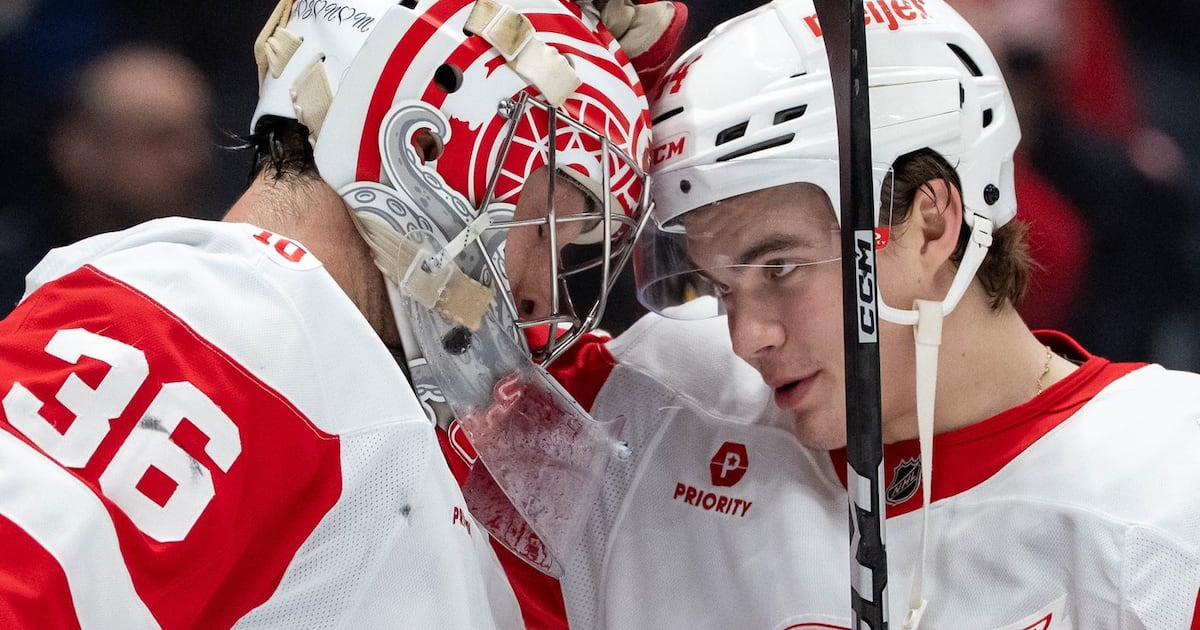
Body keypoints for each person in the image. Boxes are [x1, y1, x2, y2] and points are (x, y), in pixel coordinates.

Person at [0, 0, 656, 626]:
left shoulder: (324, 368)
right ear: (426, 146)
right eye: (544, 232)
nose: (543, 294)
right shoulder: (218, 327)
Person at [554, 0, 1200, 627]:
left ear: (931, 225)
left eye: (780, 267)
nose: (746, 339)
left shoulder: (1170, 484)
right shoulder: (651, 406)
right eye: (719, 287)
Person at [0, 44, 219, 317]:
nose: (192, 160)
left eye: (193, 139)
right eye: (158, 139)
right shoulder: (11, 280)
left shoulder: (227, 275)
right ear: (79, 151)